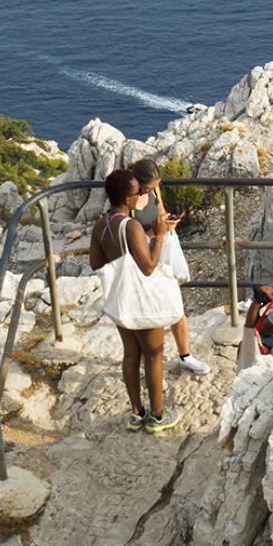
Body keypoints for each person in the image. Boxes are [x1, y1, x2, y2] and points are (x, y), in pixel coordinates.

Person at [89, 168, 182, 433]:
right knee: (154, 355)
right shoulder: (130, 225)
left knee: (131, 355)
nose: (142, 194)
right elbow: (149, 266)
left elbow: (97, 262)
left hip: (120, 299)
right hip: (142, 299)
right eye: (137, 192)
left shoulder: (100, 225)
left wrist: (145, 237)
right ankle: (158, 416)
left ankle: (136, 413)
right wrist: (160, 235)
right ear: (128, 199)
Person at [129, 157, 209, 374]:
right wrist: (156, 232)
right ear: (137, 183)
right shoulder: (128, 201)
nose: (151, 191)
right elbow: (130, 237)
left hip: (161, 251)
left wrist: (168, 222)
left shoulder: (154, 191)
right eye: (148, 187)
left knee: (176, 307)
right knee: (150, 315)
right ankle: (151, 369)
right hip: (143, 260)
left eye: (155, 187)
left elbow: (161, 212)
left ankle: (186, 356)